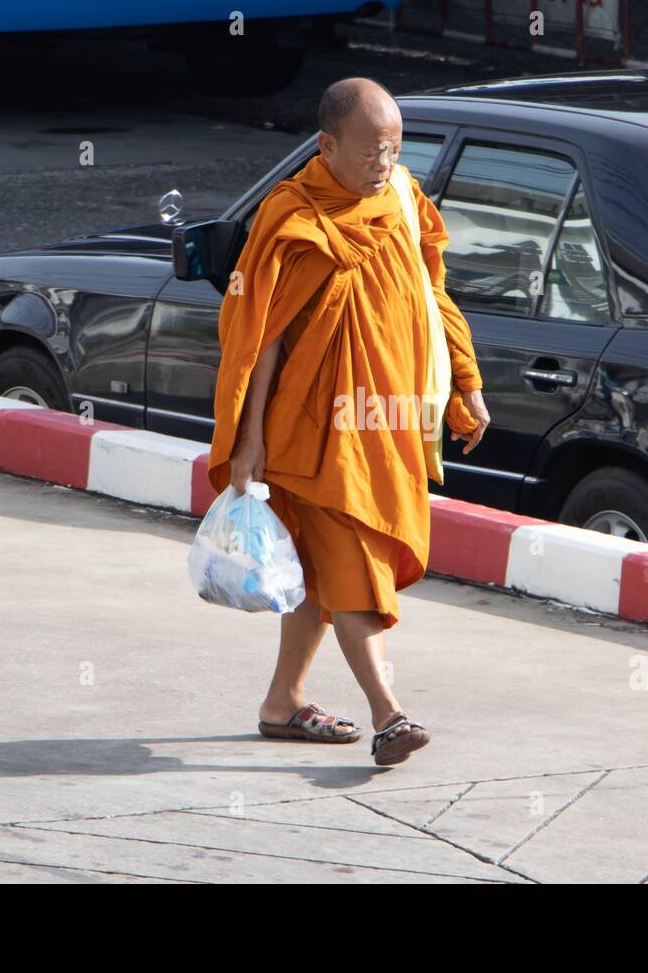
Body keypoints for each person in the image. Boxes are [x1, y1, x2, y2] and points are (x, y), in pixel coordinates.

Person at [206, 76, 489, 766]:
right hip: (313, 432)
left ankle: (283, 701)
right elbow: (259, 337)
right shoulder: (291, 215)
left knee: (316, 576)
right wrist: (249, 439)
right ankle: (390, 715)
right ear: (327, 145)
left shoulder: (399, 198)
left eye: (393, 150)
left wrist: (467, 382)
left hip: (387, 424)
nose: (383, 165)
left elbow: (431, 296)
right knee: (355, 568)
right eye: (369, 153)